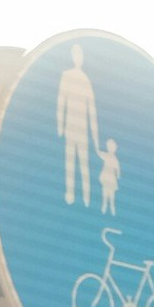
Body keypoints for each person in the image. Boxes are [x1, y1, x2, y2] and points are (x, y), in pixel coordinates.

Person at [54, 44, 100, 204]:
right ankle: (70, 195)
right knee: (70, 163)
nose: (78, 59)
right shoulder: (66, 76)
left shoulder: (86, 80)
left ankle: (87, 198)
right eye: (76, 55)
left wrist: (95, 137)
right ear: (73, 57)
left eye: (80, 56)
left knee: (84, 164)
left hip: (82, 131)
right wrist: (59, 126)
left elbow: (92, 109)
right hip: (70, 128)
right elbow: (61, 101)